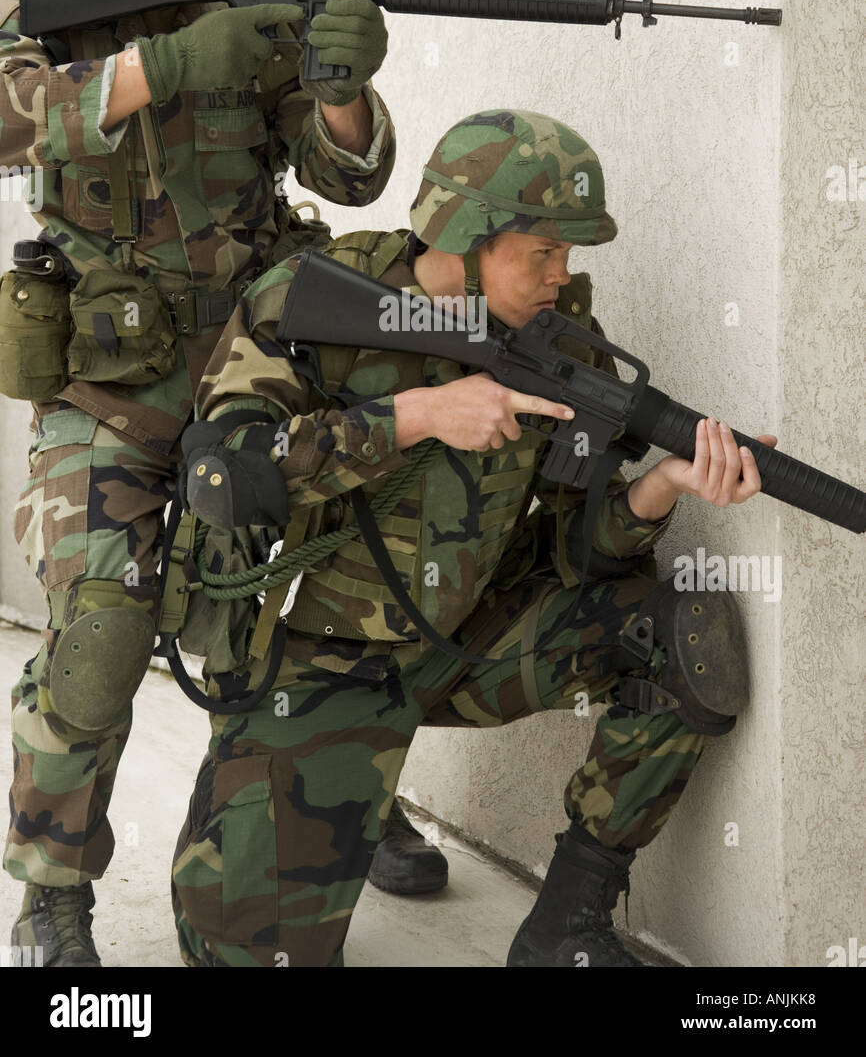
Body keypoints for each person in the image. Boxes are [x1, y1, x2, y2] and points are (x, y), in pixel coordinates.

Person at [171, 108, 775, 968]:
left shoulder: (562, 347)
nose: (563, 277)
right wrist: (412, 418)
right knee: (244, 958)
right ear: (466, 232)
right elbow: (224, 479)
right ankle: (354, 797)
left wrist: (655, 491)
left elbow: (580, 554)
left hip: (463, 648)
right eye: (544, 251)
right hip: (315, 668)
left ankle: (566, 926)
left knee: (680, 629)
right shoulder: (309, 300)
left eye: (571, 255)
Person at [0, 0, 400, 967]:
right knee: (105, 624)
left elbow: (352, 181)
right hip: (108, 393)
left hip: (258, 368)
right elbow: (14, 118)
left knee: (374, 573)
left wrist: (339, 92)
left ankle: (340, 805)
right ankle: (53, 889)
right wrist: (168, 64)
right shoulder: (35, 14)